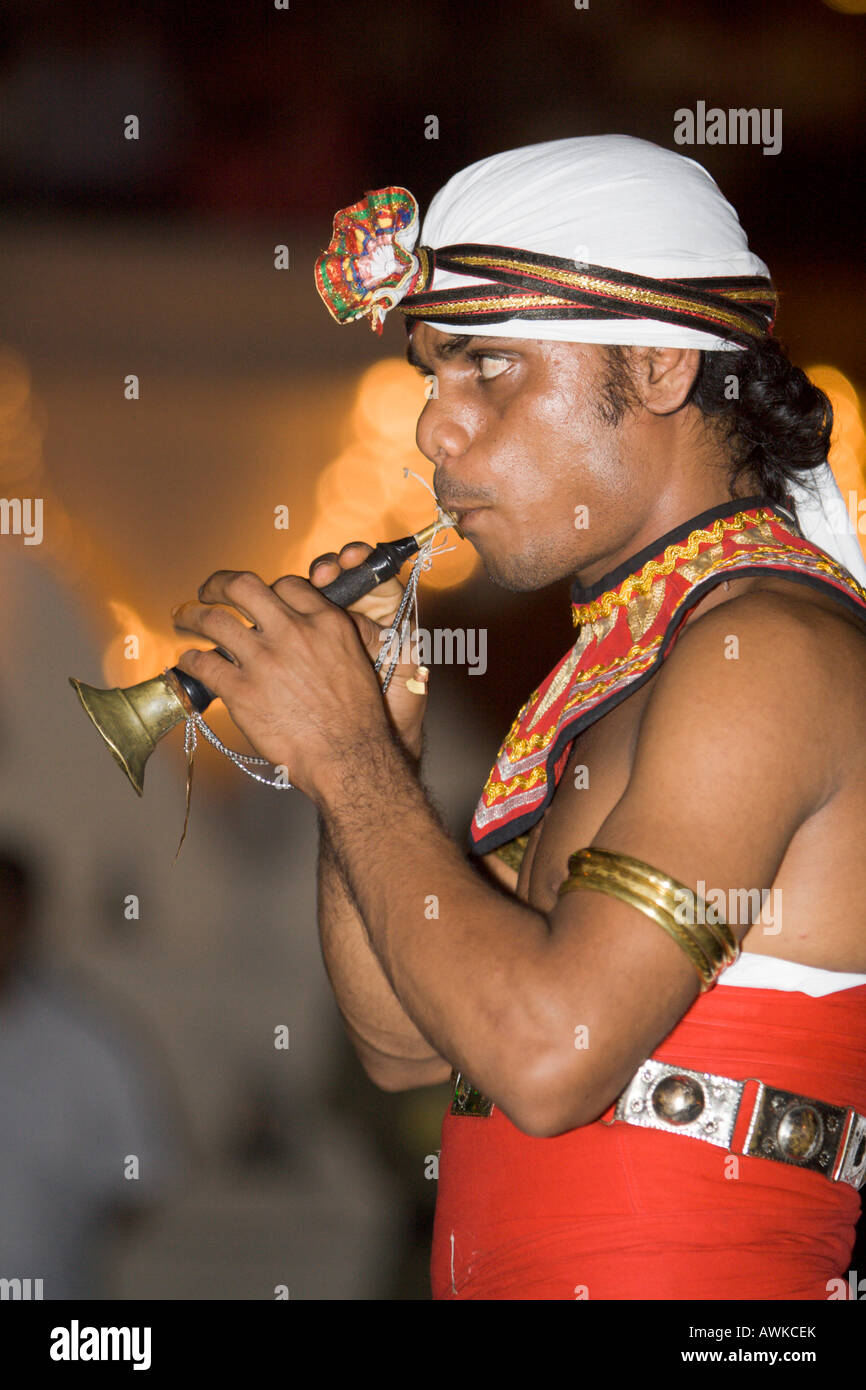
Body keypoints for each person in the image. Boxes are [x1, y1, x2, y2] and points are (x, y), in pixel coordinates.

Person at [172, 136, 866, 1300]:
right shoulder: (618, 668)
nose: (434, 432)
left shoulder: (769, 653)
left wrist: (347, 760)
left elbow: (545, 1060)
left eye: (485, 367)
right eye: (432, 379)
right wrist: (379, 751)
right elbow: (409, 1044)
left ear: (655, 371)